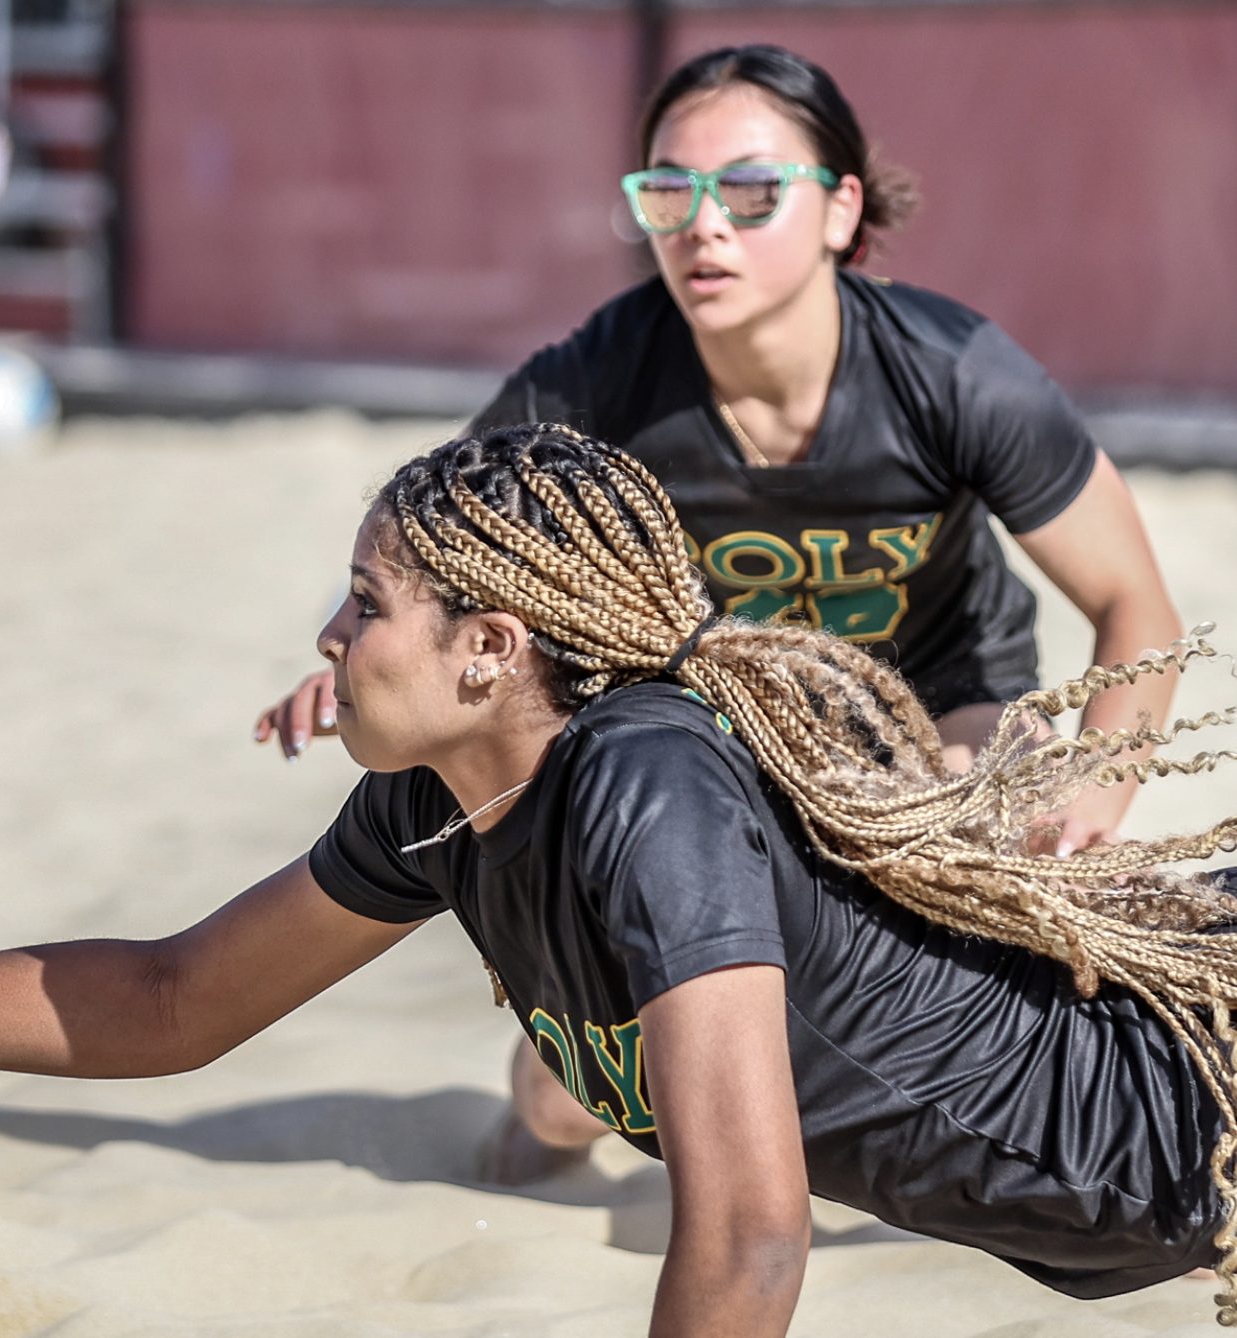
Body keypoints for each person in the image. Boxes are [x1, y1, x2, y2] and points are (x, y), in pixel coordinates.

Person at [0, 424, 1237, 1335]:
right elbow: (167, 1002)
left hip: (1188, 1134)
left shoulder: (641, 780)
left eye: (362, 600)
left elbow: (746, 1237)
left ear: (486, 650)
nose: (327, 635)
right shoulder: (436, 805)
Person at [251, 42, 1186, 1178]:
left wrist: (1088, 801)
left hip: (936, 710)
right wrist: (350, 655)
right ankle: (526, 1139)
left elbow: (1131, 600)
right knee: (574, 1093)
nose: (704, 225)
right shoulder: (606, 373)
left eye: (751, 192)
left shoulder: (955, 372)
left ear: (841, 210)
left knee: (962, 881)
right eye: (669, 191)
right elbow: (435, 540)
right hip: (712, 723)